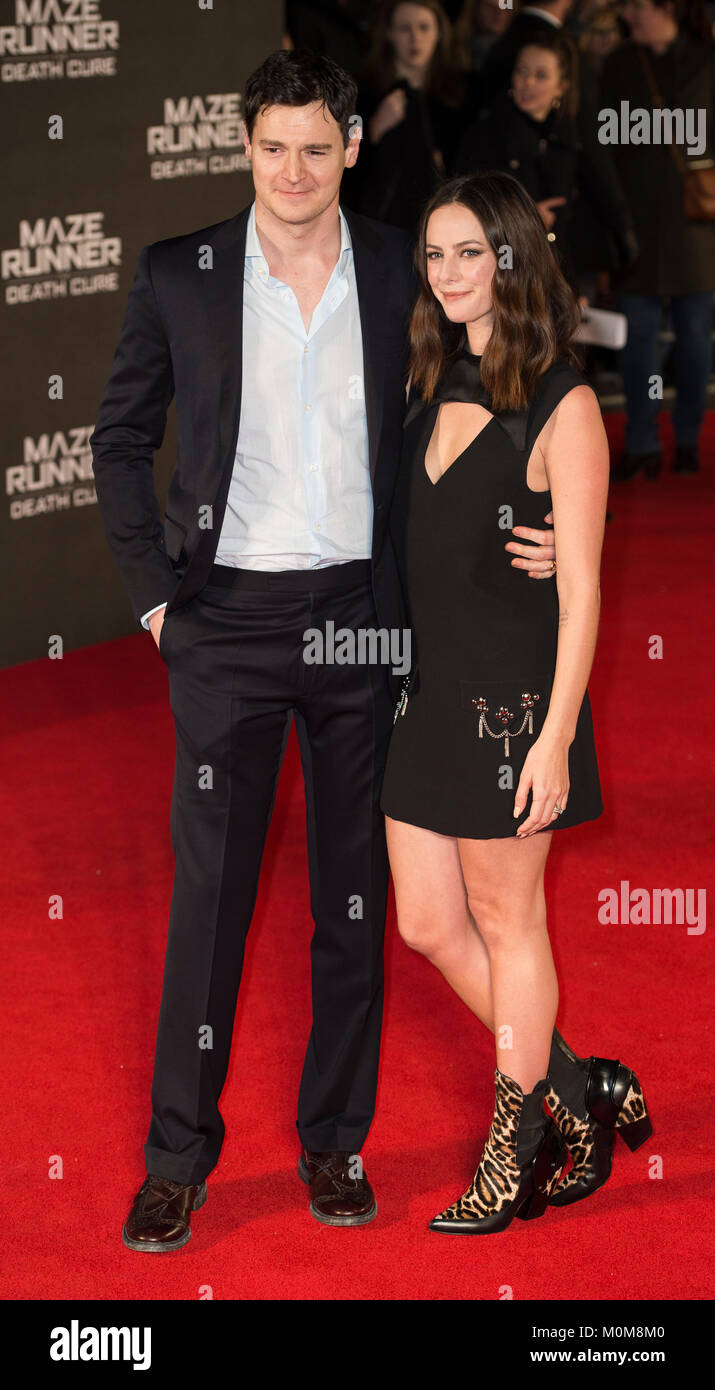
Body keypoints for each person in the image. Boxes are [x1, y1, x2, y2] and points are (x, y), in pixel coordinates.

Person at [90, 50, 557, 1252]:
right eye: (269, 147)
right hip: (226, 625)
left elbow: (504, 382)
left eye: (315, 147)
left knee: (354, 905)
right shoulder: (179, 277)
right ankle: (176, 1159)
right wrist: (156, 605)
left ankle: (334, 1143)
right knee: (211, 903)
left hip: (365, 618)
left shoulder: (407, 264)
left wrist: (550, 508)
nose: (291, 171)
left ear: (352, 146)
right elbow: (118, 439)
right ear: (243, 147)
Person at [380, 171, 653, 1233]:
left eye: (469, 253)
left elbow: (582, 589)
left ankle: (515, 1151)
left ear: (510, 257)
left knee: (506, 920)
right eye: (435, 256)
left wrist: (552, 741)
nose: (449, 274)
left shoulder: (564, 400)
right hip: (427, 690)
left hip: (513, 706)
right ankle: (583, 1091)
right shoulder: (430, 374)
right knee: (423, 921)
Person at [601, 0, 715, 479]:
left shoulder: (708, 59)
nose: (627, 14)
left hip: (698, 225)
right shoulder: (620, 64)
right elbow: (603, 144)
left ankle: (687, 436)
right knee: (639, 343)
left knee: (694, 341)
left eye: (635, 5)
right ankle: (644, 440)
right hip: (637, 229)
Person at [454, 28, 638, 298]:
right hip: (501, 270)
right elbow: (461, 199)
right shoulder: (486, 132)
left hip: (558, 268)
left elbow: (602, 188)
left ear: (561, 86)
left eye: (541, 75)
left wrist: (623, 236)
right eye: (522, 72)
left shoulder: (571, 132)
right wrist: (523, 217)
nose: (527, 83)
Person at [342, 0, 471, 232]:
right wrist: (373, 131)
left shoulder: (462, 94)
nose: (415, 38)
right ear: (389, 34)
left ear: (439, 32)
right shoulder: (362, 93)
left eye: (423, 27)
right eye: (405, 28)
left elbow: (477, 165)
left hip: (447, 224)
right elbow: (344, 170)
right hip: (380, 227)